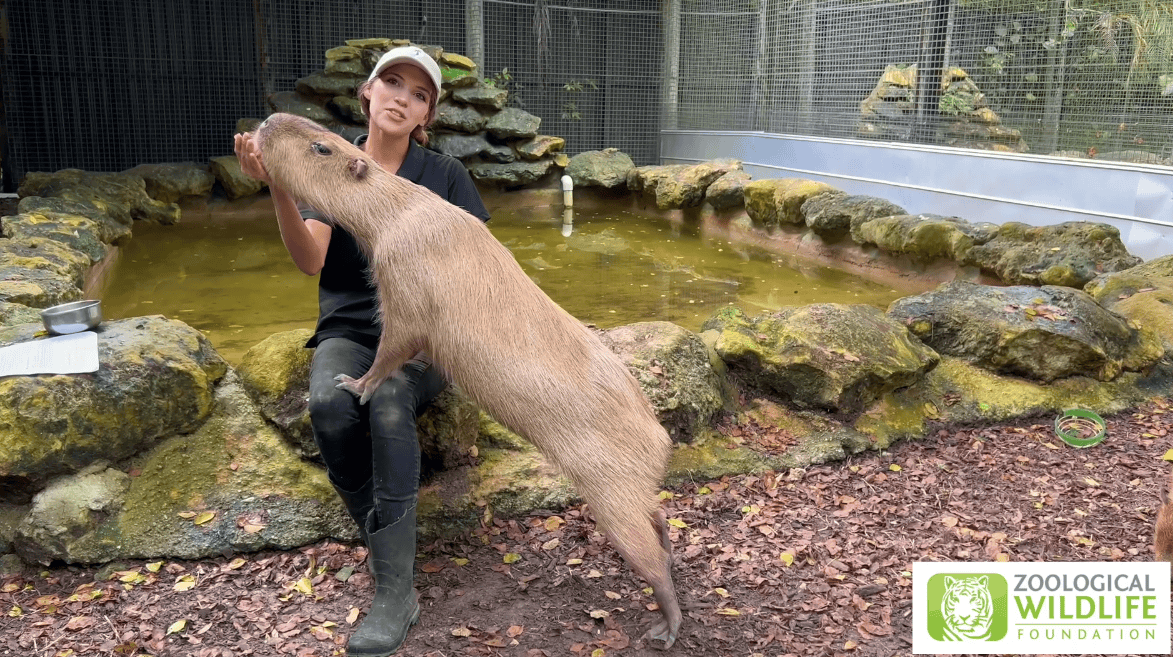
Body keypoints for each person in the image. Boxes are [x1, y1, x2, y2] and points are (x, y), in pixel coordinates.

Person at [234, 45, 490, 657]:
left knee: (390, 400)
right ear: (368, 94)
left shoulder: (445, 176)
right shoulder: (330, 161)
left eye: (420, 93)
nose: (403, 97)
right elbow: (311, 261)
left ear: (426, 114)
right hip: (349, 328)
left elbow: (478, 263)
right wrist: (280, 188)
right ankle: (382, 540)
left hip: (426, 334)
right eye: (393, 83)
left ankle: (395, 590)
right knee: (327, 403)